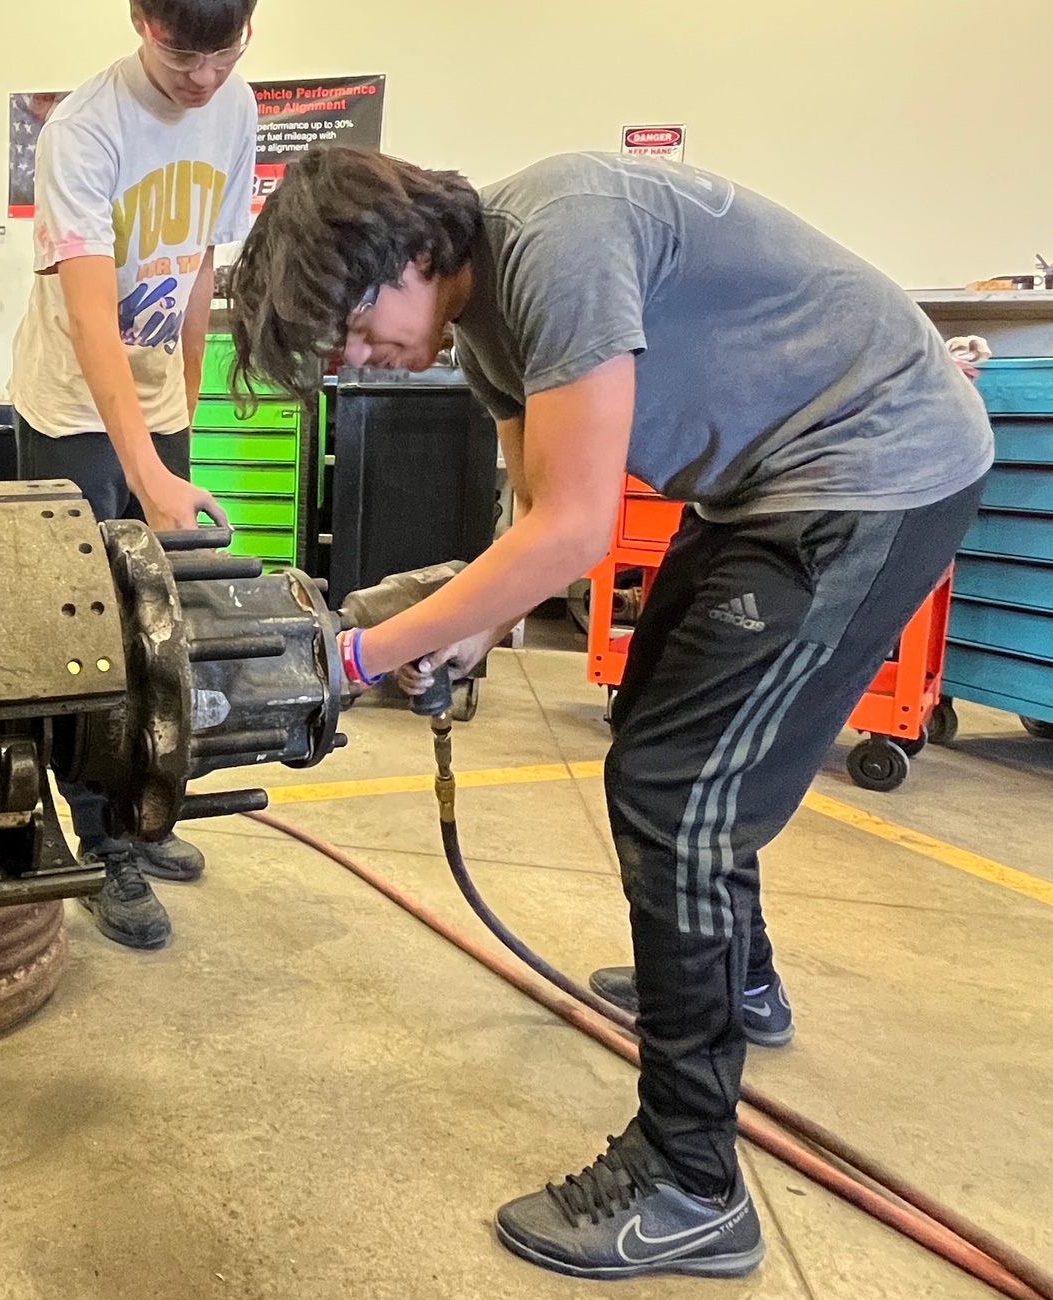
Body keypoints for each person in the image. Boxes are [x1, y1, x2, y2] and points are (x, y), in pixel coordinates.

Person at [227, 147, 993, 1280]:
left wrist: (355, 655)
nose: (349, 360)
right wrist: (468, 627)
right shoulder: (482, 317)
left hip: (873, 466)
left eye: (345, 326)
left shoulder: (558, 239)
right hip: (766, 485)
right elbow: (538, 512)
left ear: (408, 253)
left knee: (676, 789)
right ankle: (735, 978)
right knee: (657, 724)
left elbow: (582, 531)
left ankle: (690, 1178)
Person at [8, 0, 261, 952]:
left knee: (169, 623)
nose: (200, 79)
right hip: (71, 407)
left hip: (156, 398)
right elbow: (90, 314)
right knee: (90, 635)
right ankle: (98, 845)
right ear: (136, 16)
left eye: (221, 53)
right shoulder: (82, 131)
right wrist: (144, 470)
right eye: (178, 58)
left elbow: (201, 265)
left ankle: (143, 812)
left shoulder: (234, 105)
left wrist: (185, 411)